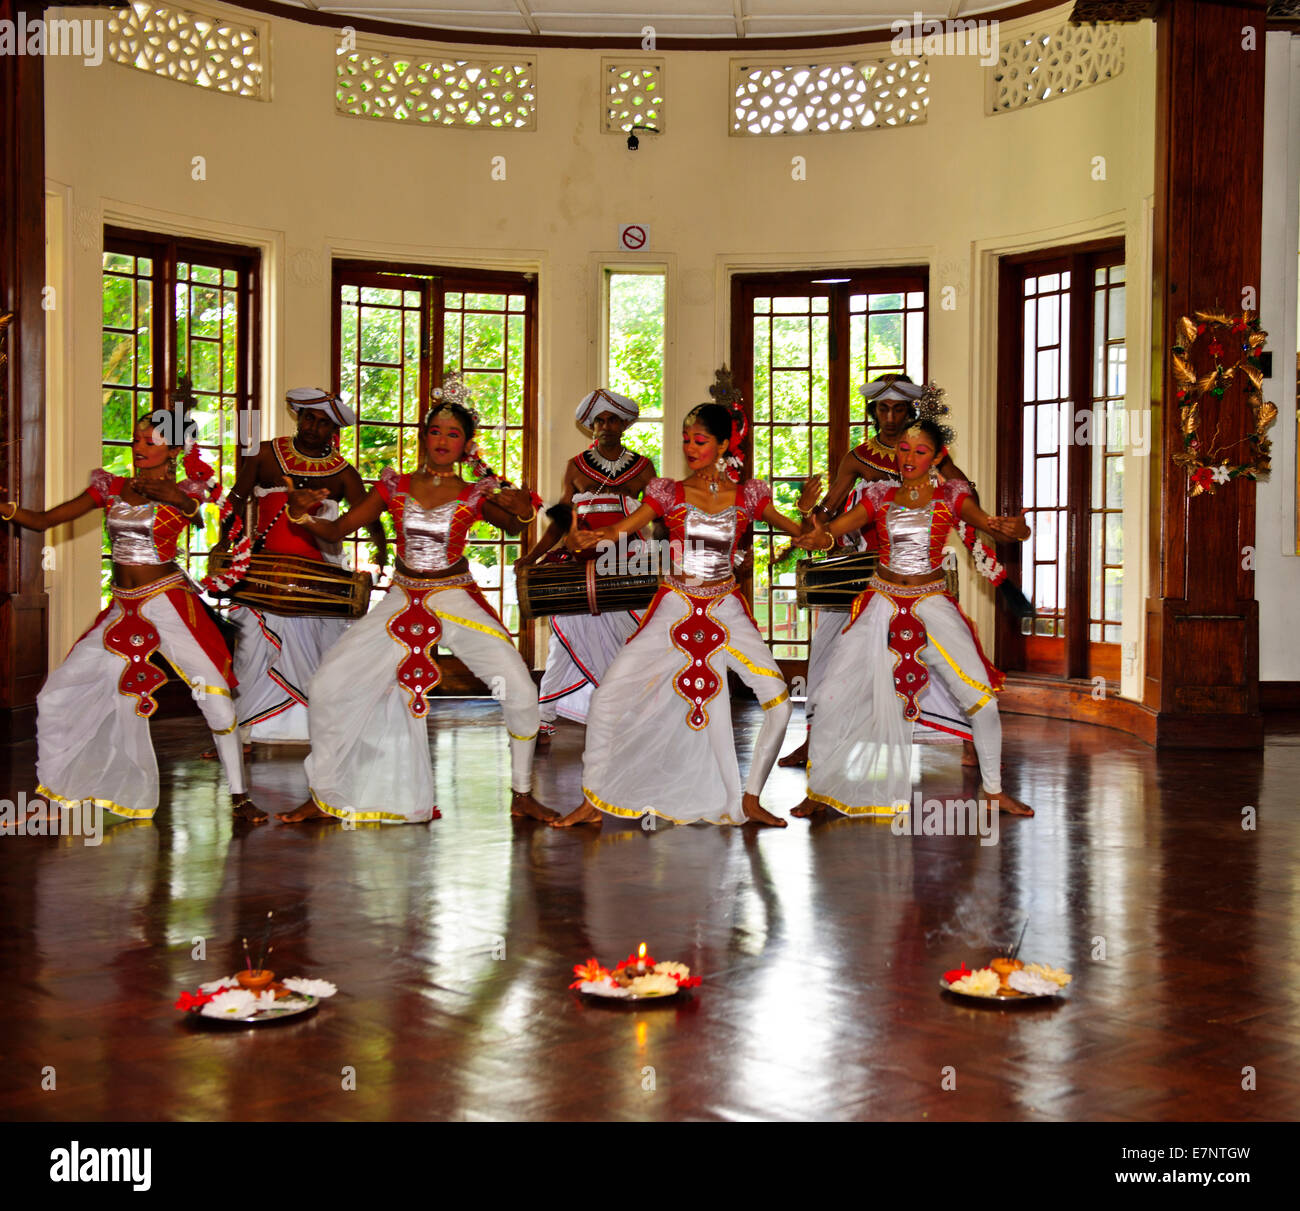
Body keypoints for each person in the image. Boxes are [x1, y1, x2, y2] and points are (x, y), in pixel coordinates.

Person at [275, 386, 556, 824]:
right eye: (435, 431)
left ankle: (521, 794)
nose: (443, 440)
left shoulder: (476, 491)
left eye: (454, 434)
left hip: (453, 596)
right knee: (328, 685)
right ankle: (325, 791)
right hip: (402, 598)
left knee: (519, 690)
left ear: (466, 445)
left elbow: (511, 523)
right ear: (423, 437)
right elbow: (336, 531)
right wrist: (301, 514)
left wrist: (522, 512)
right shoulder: (395, 485)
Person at [551, 400, 819, 829]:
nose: (690, 448)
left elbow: (810, 537)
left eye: (700, 441)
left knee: (780, 704)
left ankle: (749, 799)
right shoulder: (667, 492)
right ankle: (592, 801)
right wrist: (588, 536)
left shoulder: (750, 496)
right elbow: (619, 530)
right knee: (606, 699)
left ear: (724, 444)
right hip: (674, 606)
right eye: (685, 440)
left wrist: (809, 517)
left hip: (726, 608)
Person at [1, 415, 260, 822]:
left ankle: (239, 796)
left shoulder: (188, 489)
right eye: (135, 439)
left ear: (173, 449)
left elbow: (198, 515)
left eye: (149, 440)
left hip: (168, 602)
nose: (138, 446)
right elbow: (44, 521)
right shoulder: (111, 487)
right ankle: (62, 789)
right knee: (55, 695)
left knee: (216, 700)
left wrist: (178, 498)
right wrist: (9, 509)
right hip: (124, 608)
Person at [790, 418, 1034, 819]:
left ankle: (993, 791)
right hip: (880, 600)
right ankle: (819, 790)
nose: (908, 457)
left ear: (937, 457)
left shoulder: (951, 496)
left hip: (931, 602)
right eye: (904, 449)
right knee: (830, 694)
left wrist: (1018, 531)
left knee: (981, 700)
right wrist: (816, 533)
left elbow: (995, 528)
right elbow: (831, 534)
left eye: (920, 451)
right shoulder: (879, 495)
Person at [780, 374, 979, 769]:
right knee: (827, 650)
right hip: (860, 568)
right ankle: (814, 737)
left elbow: (965, 495)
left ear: (910, 411)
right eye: (883, 408)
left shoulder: (929, 453)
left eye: (899, 408)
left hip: (915, 571)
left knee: (940, 651)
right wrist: (808, 513)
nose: (890, 417)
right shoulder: (857, 457)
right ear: (873, 412)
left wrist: (977, 514)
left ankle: (969, 734)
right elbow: (829, 512)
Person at [210, 388, 386, 753]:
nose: (312, 427)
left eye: (323, 423)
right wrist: (225, 541)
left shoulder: (343, 474)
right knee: (249, 653)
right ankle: (242, 735)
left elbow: (371, 514)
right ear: (298, 417)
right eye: (308, 418)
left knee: (318, 652)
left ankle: (320, 732)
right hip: (260, 575)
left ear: (334, 431)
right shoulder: (264, 454)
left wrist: (382, 552)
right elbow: (237, 500)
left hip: (314, 583)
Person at [517, 388, 657, 739]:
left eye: (613, 419)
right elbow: (563, 521)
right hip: (578, 564)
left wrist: (668, 556)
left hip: (627, 565)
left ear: (624, 425)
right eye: (600, 420)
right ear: (591, 427)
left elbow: (659, 517)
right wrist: (533, 557)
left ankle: (627, 714)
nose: (606, 425)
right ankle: (545, 716)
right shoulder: (574, 467)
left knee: (631, 638)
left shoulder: (644, 468)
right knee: (566, 639)